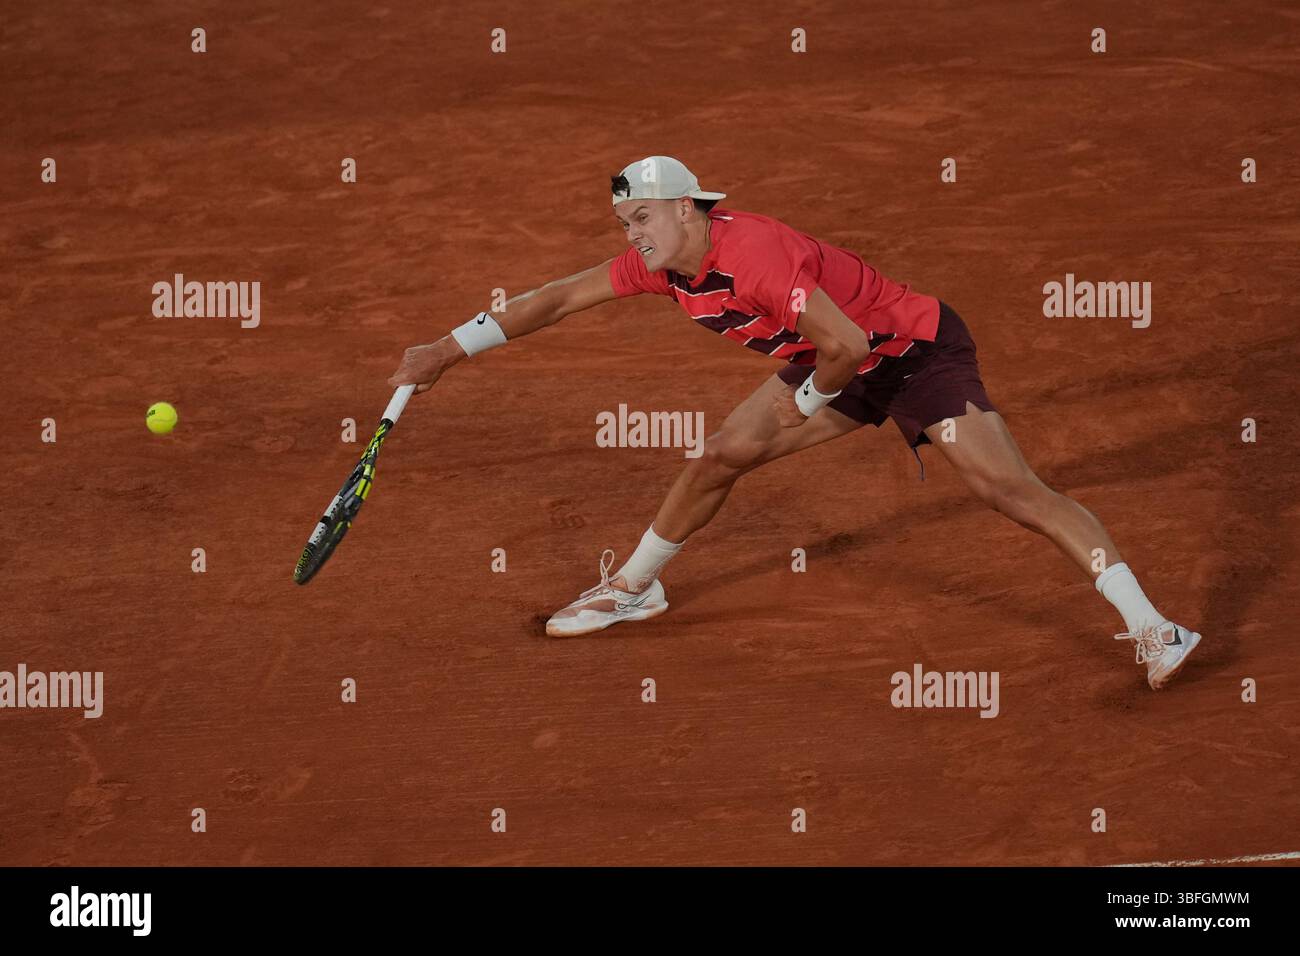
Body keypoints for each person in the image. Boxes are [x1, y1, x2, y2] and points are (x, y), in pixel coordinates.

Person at [389, 156, 1202, 690]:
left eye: (641, 219)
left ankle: (1154, 628)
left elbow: (846, 343)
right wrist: (447, 348)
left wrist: (807, 401)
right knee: (717, 456)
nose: (631, 237)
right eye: (625, 225)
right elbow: (558, 297)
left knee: (1008, 489)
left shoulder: (758, 257)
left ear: (685, 209)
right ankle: (634, 588)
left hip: (910, 353)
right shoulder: (663, 265)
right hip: (835, 360)